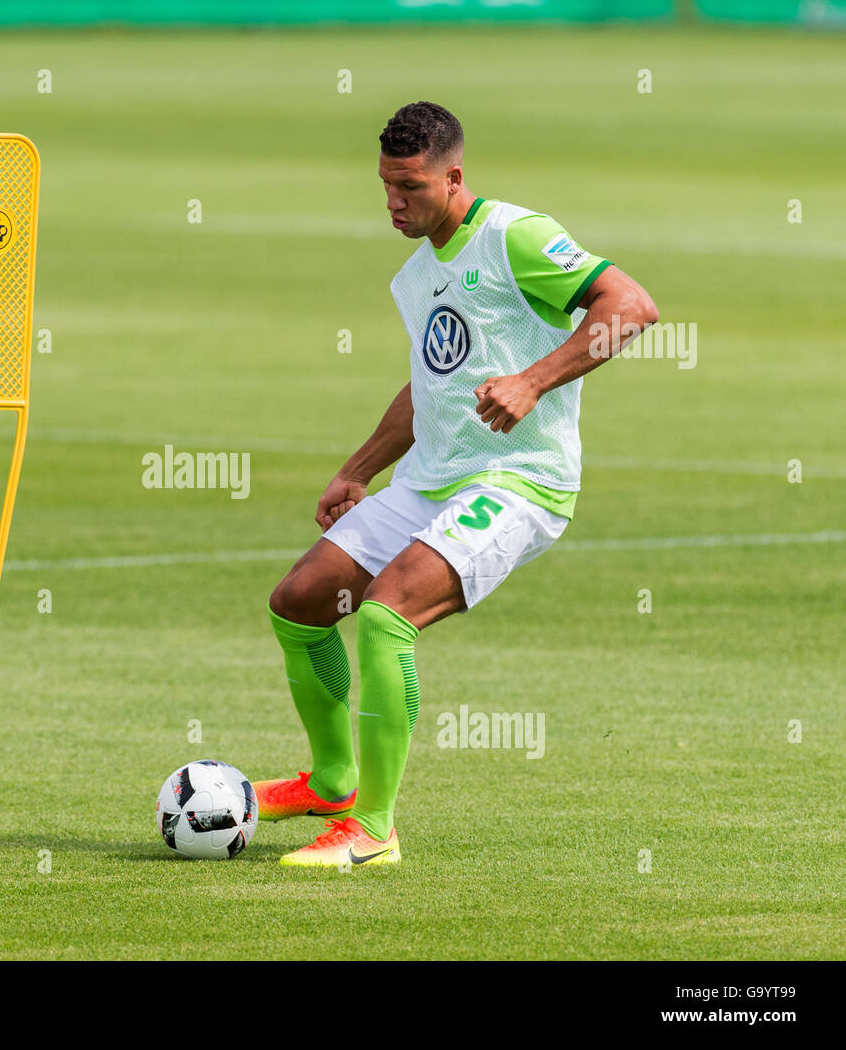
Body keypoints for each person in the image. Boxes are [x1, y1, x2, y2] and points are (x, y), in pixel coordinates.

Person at [254, 101, 658, 868]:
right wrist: (357, 469)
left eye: (408, 186)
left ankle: (372, 830)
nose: (392, 202)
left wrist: (534, 381)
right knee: (300, 602)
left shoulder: (516, 237)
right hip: (430, 479)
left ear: (454, 176)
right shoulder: (417, 274)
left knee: (384, 617)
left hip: (519, 483)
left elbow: (632, 308)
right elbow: (430, 386)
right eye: (384, 185)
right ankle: (334, 780)